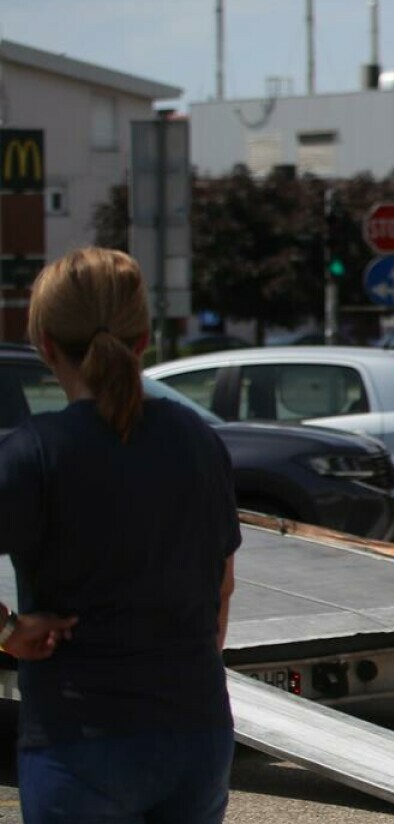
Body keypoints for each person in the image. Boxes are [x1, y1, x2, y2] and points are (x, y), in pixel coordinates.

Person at [0, 249, 241, 824]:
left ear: (44, 343)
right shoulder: (197, 439)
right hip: (197, 732)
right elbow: (223, 585)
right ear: (143, 341)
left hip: (81, 742)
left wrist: (8, 631)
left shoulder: (35, 453)